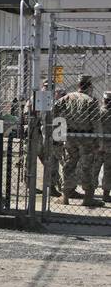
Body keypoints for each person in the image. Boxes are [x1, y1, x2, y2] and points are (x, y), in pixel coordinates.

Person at [53, 74, 102, 207]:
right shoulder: (91, 101)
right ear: (90, 86)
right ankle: (88, 197)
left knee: (69, 164)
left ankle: (65, 196)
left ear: (78, 85)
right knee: (87, 166)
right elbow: (96, 122)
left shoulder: (67, 98)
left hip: (70, 137)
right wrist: (99, 141)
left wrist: (60, 129)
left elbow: (54, 111)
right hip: (87, 138)